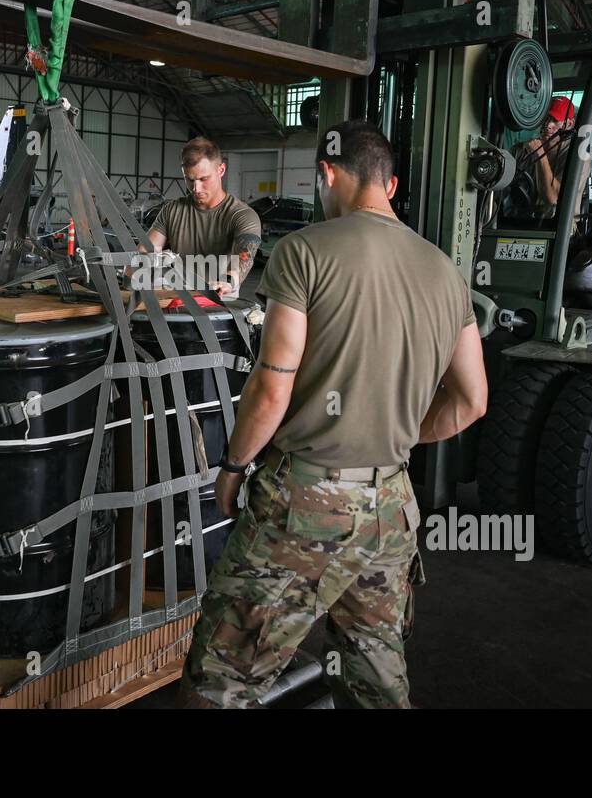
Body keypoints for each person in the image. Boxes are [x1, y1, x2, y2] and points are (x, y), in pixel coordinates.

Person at [180, 121, 487, 709]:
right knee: (375, 680)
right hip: (392, 508)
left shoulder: (302, 252)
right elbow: (472, 401)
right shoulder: (445, 271)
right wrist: (391, 437)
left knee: (221, 679)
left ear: (326, 174)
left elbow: (271, 392)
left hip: (303, 508)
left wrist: (233, 465)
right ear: (391, 184)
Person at [146, 138, 261, 299]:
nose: (196, 188)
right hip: (177, 304)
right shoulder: (172, 211)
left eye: (203, 179)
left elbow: (245, 256)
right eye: (190, 180)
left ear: (221, 170)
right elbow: (147, 250)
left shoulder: (242, 215)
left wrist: (229, 280)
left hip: (220, 308)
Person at [514, 96, 579, 219]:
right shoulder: (521, 151)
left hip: (558, 229)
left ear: (569, 124)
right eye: (545, 118)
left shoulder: (575, 158)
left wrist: (539, 154)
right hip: (520, 223)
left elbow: (553, 198)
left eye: (555, 120)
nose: (548, 124)